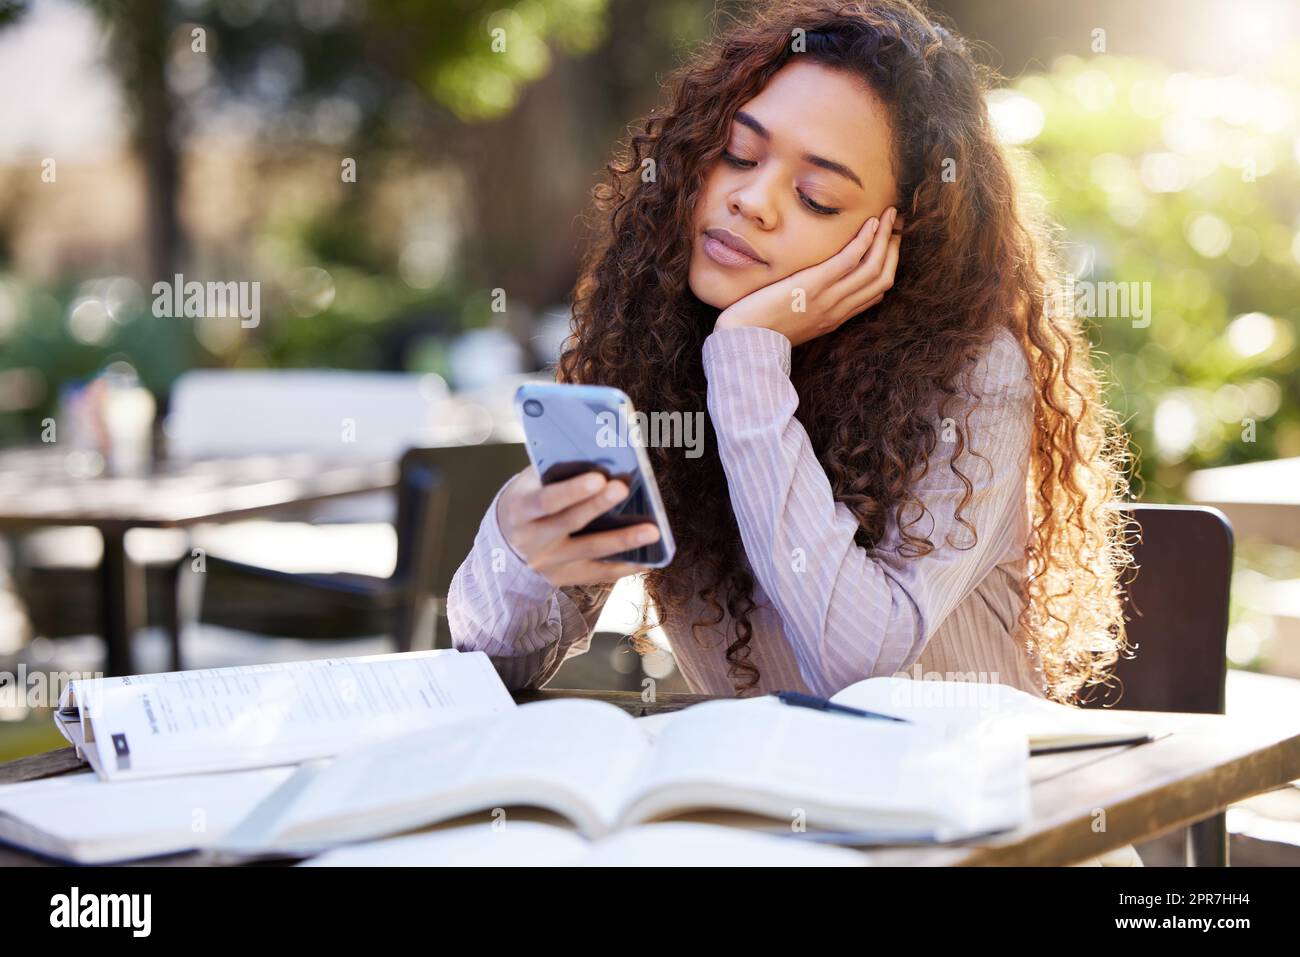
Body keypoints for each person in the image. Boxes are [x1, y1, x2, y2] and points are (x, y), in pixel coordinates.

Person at [448, 0, 1134, 711]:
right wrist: (520, 549)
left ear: (903, 239)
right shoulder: (659, 347)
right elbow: (496, 666)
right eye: (738, 154)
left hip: (962, 802)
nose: (753, 200)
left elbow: (855, 670)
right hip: (756, 804)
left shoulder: (974, 372)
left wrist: (748, 358)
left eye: (816, 196)